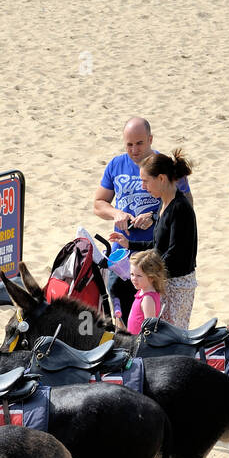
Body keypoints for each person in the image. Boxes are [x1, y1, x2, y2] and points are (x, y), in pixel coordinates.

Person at [93, 117, 192, 320]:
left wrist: (154, 217)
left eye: (139, 143)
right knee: (124, 319)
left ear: (150, 139)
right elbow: (98, 204)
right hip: (122, 256)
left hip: (155, 259)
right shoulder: (116, 165)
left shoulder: (162, 166)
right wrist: (117, 213)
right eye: (129, 144)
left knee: (149, 322)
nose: (134, 149)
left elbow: (184, 205)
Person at [139, 149, 198, 327]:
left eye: (146, 181)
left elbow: (175, 252)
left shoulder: (180, 208)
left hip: (178, 284)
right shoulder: (164, 204)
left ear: (162, 179)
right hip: (164, 280)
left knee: (173, 337)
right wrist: (130, 244)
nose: (143, 187)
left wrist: (149, 274)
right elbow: (159, 245)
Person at [126, 251, 167, 334]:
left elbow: (149, 329)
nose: (134, 278)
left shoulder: (147, 299)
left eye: (139, 275)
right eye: (132, 274)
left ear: (151, 277)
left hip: (139, 343)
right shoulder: (142, 291)